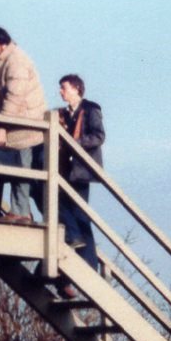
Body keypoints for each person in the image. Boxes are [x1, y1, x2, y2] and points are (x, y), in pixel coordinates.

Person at [0, 26, 46, 223]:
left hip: (23, 128)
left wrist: (1, 126)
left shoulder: (16, 62)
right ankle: (19, 210)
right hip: (18, 126)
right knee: (14, 170)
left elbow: (14, 96)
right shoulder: (6, 60)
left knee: (21, 171)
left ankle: (21, 212)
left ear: (2, 43)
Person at [56, 74, 104, 273]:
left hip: (81, 171)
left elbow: (99, 136)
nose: (61, 91)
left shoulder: (91, 108)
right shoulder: (62, 113)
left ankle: (90, 264)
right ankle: (82, 255)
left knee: (80, 215)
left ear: (76, 88)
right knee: (63, 208)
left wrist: (75, 143)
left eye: (64, 87)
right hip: (65, 170)